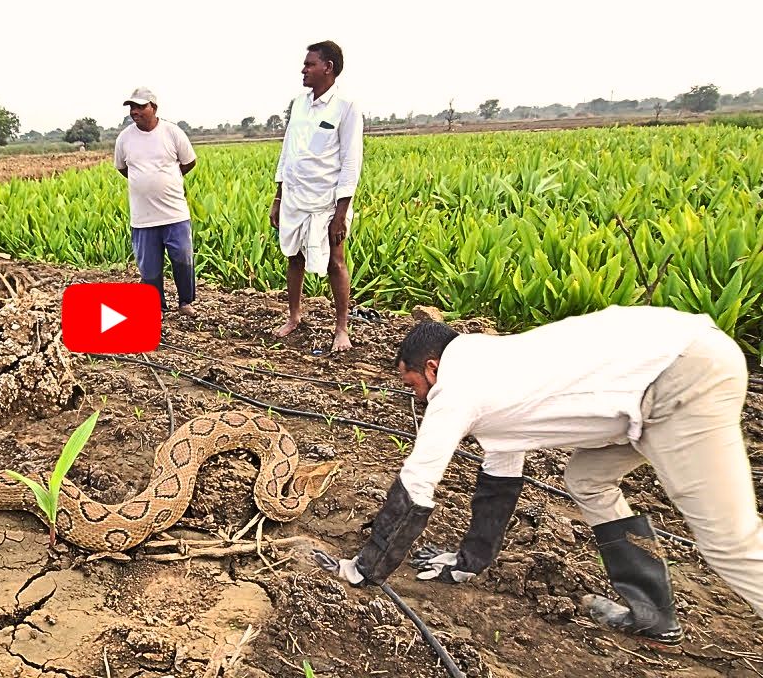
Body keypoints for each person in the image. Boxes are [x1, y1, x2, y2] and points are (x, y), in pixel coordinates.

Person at [326, 305, 762, 646]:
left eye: (413, 386)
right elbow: (501, 474)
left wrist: (365, 569)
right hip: (655, 374)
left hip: (680, 373)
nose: (418, 399)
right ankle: (653, 614)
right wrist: (468, 562)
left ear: (432, 368)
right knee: (587, 480)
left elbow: (418, 482)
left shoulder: (456, 389)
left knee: (729, 542)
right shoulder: (486, 362)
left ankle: (665, 608)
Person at [270, 40, 364, 351]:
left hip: (326, 201)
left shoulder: (346, 107)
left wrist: (341, 213)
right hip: (295, 197)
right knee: (294, 256)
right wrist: (278, 197)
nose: (303, 69)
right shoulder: (299, 104)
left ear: (328, 67)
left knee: (336, 261)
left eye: (310, 64)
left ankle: (341, 328)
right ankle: (294, 316)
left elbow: (351, 162)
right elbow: (287, 153)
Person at [114, 87, 198, 316]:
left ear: (154, 107)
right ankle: (156, 306)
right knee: (149, 268)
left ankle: (185, 302)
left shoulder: (172, 132)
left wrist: (168, 180)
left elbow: (189, 162)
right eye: (132, 107)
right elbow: (122, 168)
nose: (135, 111)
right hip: (143, 217)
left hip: (174, 213)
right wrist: (144, 182)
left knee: (182, 258)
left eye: (140, 106)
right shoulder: (124, 138)